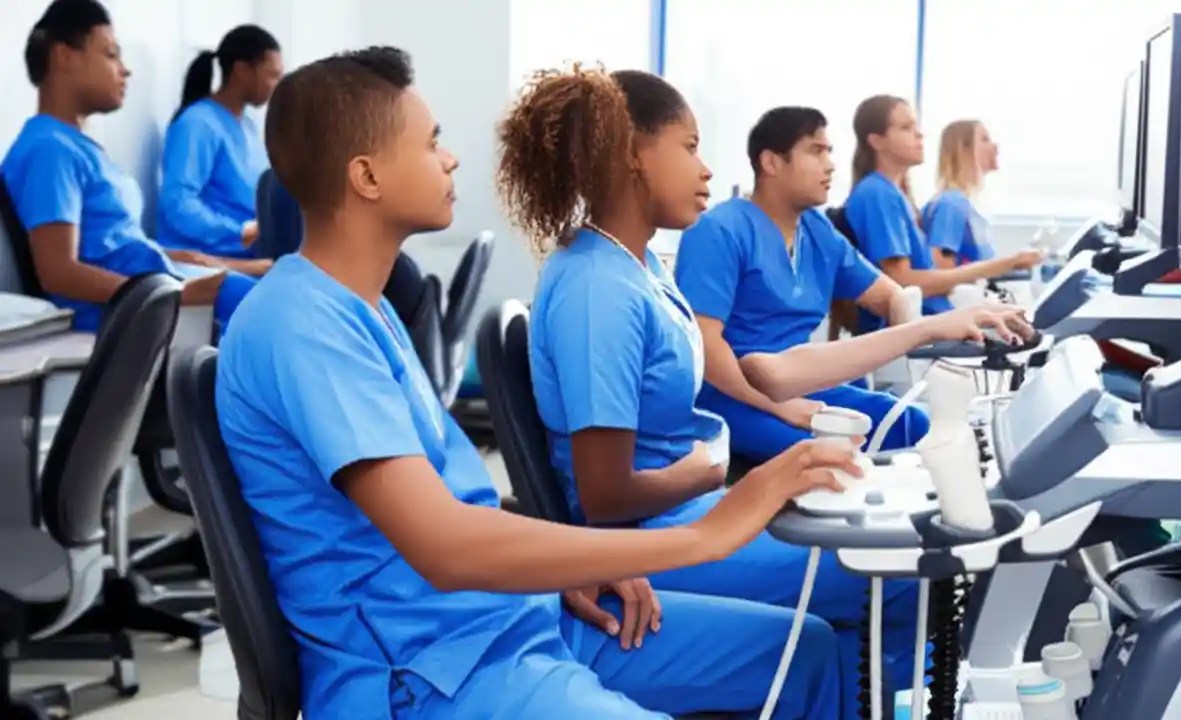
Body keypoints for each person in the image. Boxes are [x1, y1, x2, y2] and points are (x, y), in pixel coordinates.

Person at [219, 47, 857, 720]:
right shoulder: (303, 325)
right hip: (429, 671)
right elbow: (443, 547)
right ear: (367, 176)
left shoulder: (367, 309)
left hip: (504, 617)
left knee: (806, 653)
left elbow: (455, 505)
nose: (450, 158)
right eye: (431, 142)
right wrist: (709, 533)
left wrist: (565, 568)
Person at [507, 73, 1032, 718]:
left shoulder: (639, 267)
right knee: (899, 578)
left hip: (694, 508)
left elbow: (768, 369)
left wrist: (922, 329)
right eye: (689, 146)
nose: (705, 169)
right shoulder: (599, 288)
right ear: (627, 154)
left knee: (886, 563)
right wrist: (718, 477)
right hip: (652, 535)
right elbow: (603, 493)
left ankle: (848, 697)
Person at [674, 106, 928, 462]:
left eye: (829, 151)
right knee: (826, 453)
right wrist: (780, 406)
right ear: (771, 163)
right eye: (815, 150)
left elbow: (889, 296)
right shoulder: (719, 230)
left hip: (802, 384)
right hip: (733, 397)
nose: (830, 165)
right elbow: (704, 346)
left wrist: (926, 326)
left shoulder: (818, 231)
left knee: (911, 423)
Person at [1, 0, 260, 333]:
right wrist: (173, 295)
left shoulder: (76, 147)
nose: (125, 70)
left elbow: (115, 244)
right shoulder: (49, 149)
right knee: (274, 319)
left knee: (275, 304)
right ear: (64, 56)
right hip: (134, 313)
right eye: (110, 54)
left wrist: (194, 259)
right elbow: (58, 270)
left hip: (159, 286)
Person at [841, 95, 1039, 334]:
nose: (920, 134)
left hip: (934, 320)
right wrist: (1006, 263)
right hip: (917, 333)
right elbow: (902, 283)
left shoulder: (897, 196)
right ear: (876, 141)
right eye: (906, 128)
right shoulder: (877, 194)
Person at [157, 25, 283, 259]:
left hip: (247, 252)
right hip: (204, 259)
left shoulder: (248, 126)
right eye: (272, 76)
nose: (277, 85)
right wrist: (239, 231)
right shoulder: (198, 124)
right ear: (241, 71)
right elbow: (178, 203)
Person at [922, 119, 999, 268]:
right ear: (962, 150)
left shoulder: (964, 203)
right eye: (984, 139)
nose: (995, 146)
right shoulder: (952, 203)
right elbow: (942, 268)